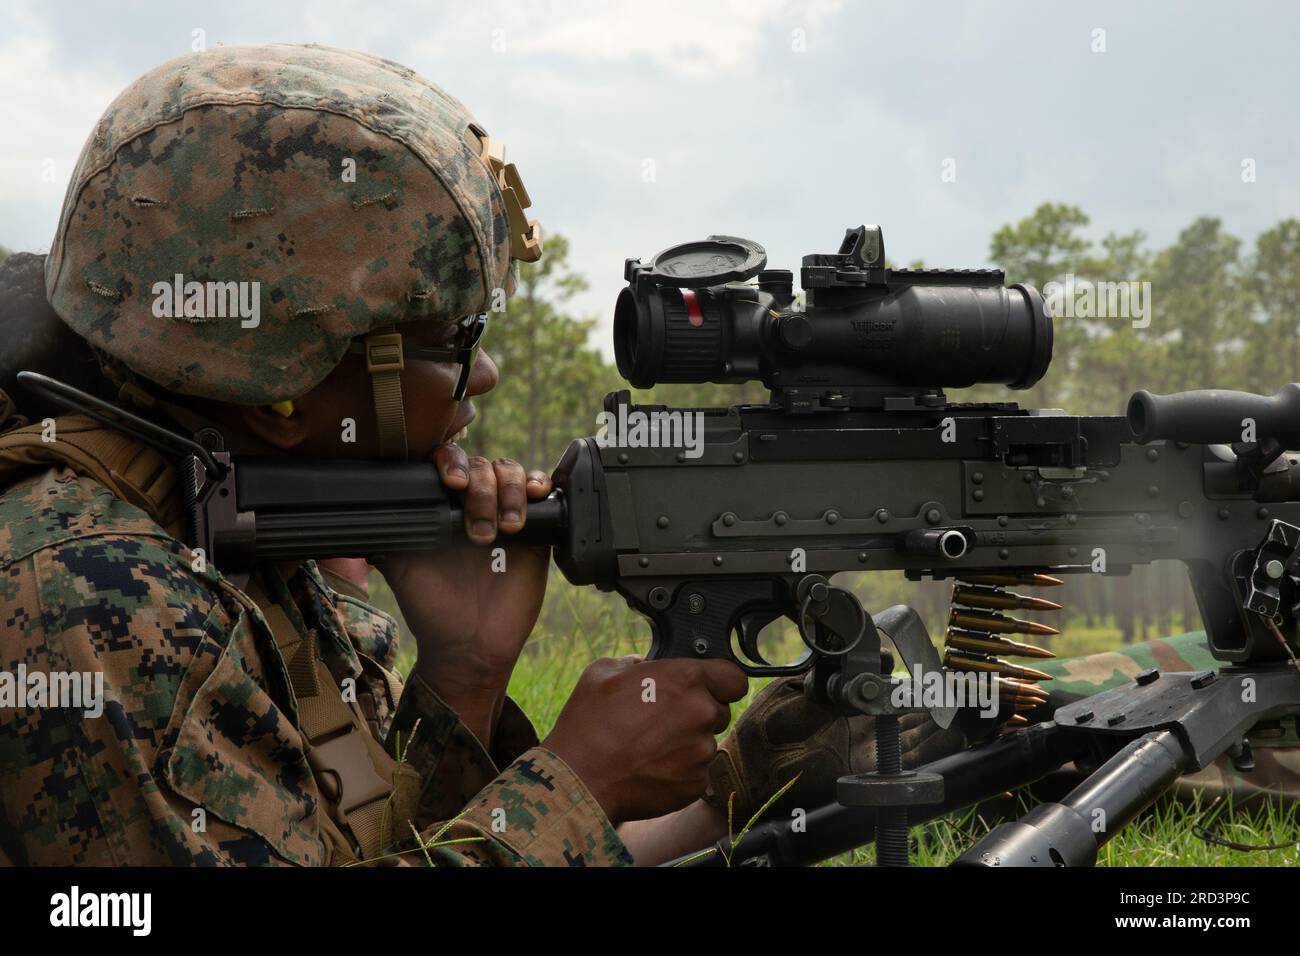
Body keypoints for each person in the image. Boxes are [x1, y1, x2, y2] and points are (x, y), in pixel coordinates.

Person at [1, 43, 961, 868]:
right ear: (284, 382)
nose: (487, 374)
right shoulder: (91, 598)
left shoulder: (227, 535)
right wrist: (580, 781)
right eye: (451, 340)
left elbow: (381, 845)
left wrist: (465, 674)